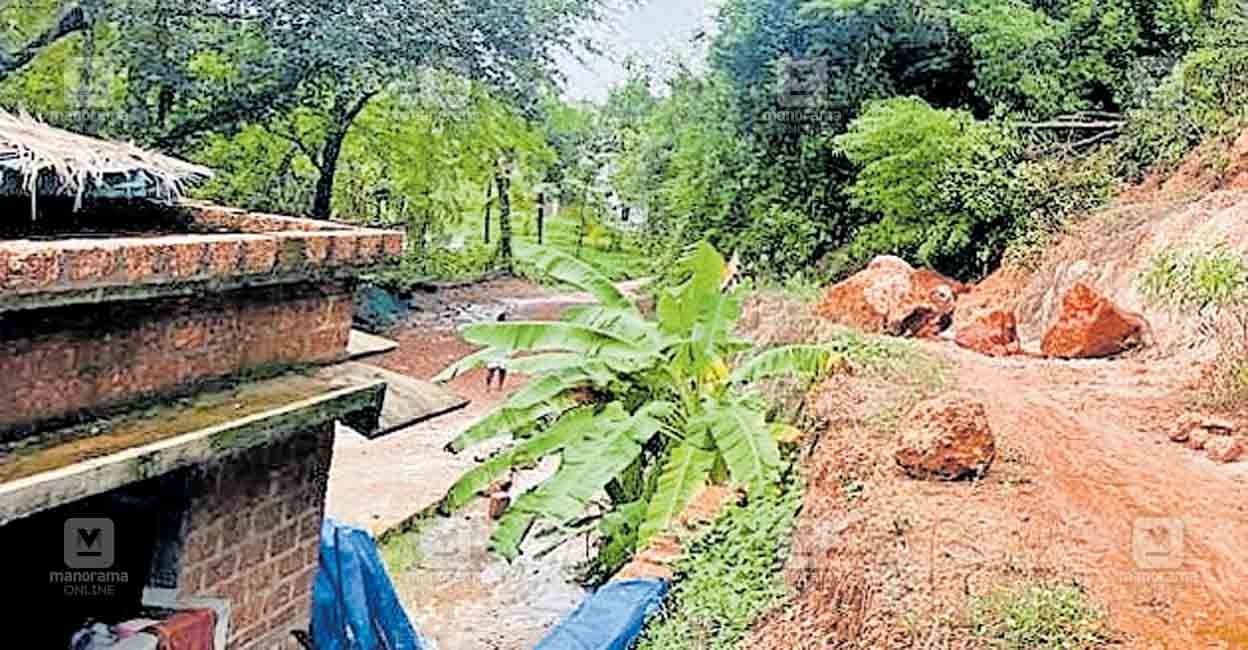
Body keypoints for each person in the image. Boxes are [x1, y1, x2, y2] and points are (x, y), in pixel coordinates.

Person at [486, 312, 508, 390]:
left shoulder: (493, 329)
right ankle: (500, 386)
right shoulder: (506, 330)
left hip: (494, 351)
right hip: (501, 351)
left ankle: (488, 386)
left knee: (492, 370)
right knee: (502, 371)